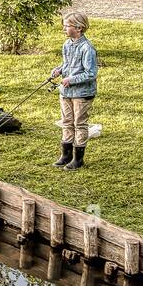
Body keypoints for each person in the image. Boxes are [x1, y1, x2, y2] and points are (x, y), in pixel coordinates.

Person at [51, 12, 97, 170]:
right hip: (66, 93)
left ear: (79, 28)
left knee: (80, 124)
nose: (64, 28)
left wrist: (71, 80)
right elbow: (67, 64)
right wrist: (59, 70)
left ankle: (78, 159)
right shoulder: (67, 44)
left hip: (82, 94)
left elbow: (90, 74)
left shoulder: (87, 48)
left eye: (67, 25)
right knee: (67, 122)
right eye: (63, 25)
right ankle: (66, 155)